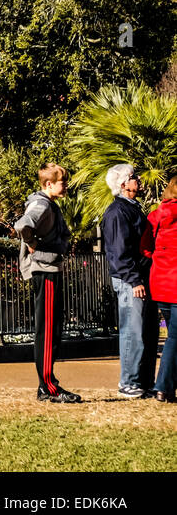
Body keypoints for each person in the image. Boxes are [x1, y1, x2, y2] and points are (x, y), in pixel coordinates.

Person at [12, 163, 82, 403]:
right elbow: (22, 225)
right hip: (45, 270)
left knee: (51, 328)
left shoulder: (46, 203)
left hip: (48, 269)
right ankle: (48, 387)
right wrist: (32, 243)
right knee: (48, 330)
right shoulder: (41, 203)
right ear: (48, 184)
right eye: (62, 182)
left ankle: (48, 384)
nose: (66, 186)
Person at [101, 163, 158, 397]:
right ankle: (129, 382)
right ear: (123, 185)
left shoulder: (132, 208)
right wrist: (134, 280)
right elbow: (119, 251)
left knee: (146, 331)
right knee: (132, 331)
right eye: (133, 177)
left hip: (140, 277)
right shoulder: (117, 212)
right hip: (130, 280)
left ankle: (143, 381)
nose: (138, 180)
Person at [148, 177, 177, 402]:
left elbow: (145, 248)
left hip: (159, 283)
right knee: (174, 338)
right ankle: (163, 387)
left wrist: (160, 258)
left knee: (173, 336)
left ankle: (167, 387)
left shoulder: (155, 216)